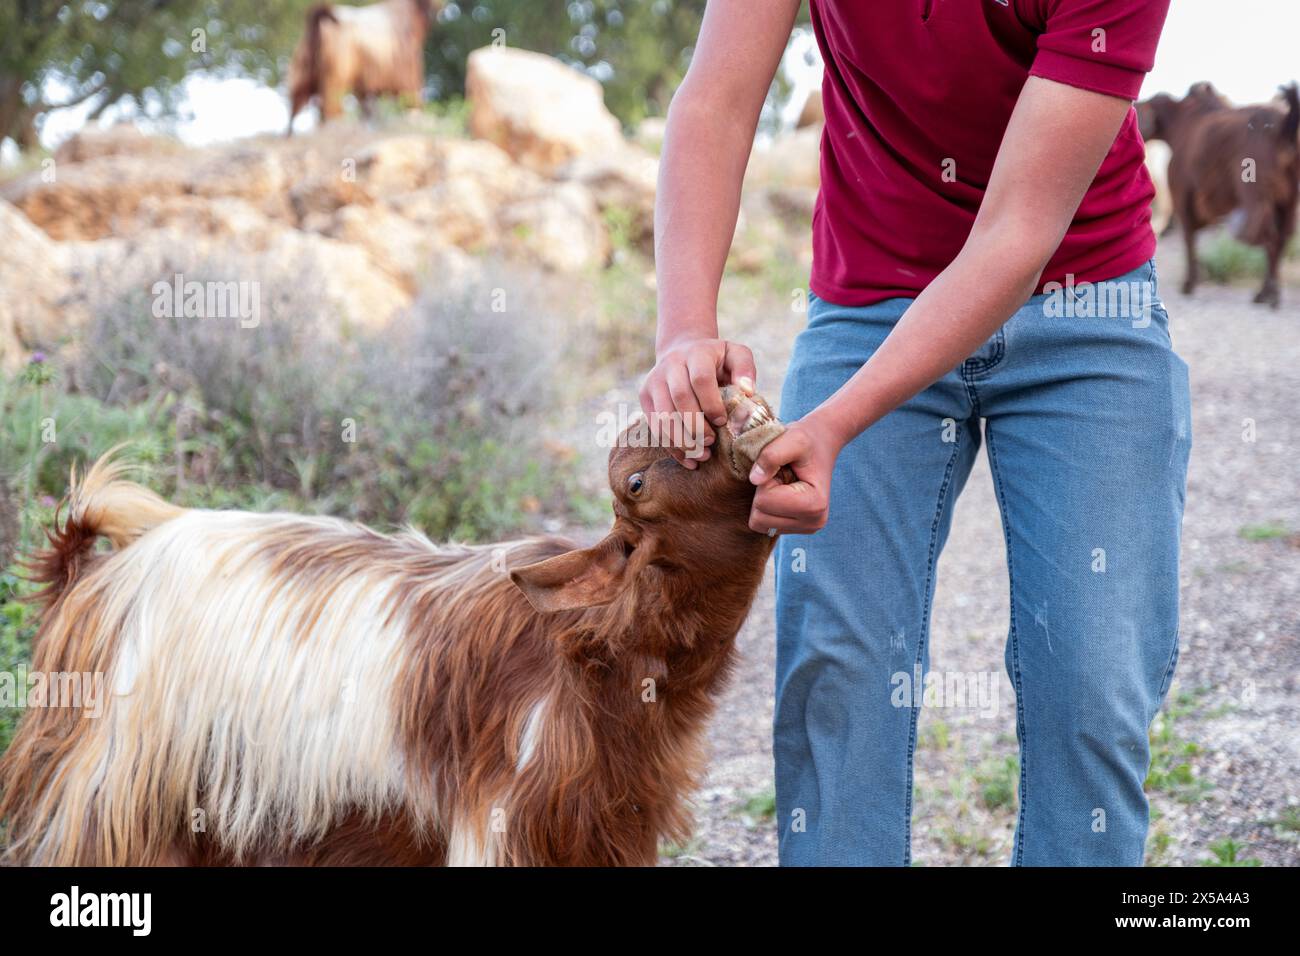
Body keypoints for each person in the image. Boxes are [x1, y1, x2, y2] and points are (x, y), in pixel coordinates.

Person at [640, 0, 1183, 866]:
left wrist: (837, 423)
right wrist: (682, 331)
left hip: (1087, 303)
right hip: (868, 297)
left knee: (1092, 681)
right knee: (837, 677)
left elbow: (1016, 234)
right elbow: (715, 101)